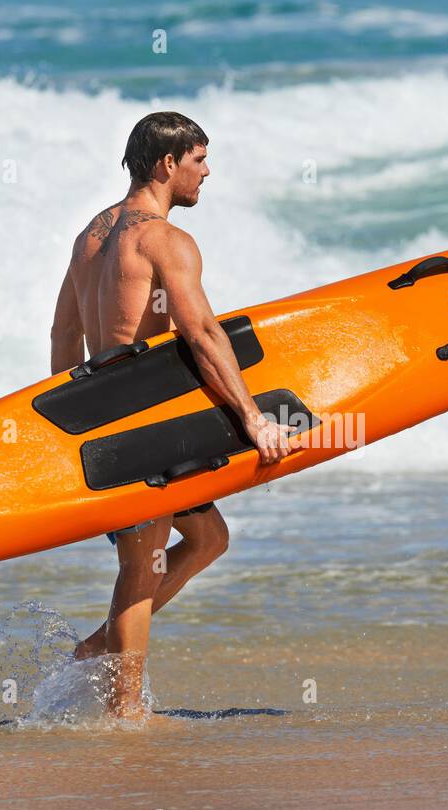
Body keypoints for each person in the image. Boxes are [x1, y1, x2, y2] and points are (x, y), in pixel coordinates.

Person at [49, 111, 294, 719]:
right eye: (199, 160)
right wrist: (254, 418)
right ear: (167, 164)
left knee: (208, 538)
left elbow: (65, 330)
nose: (206, 173)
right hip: (146, 423)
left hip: (107, 416)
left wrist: (70, 418)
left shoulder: (92, 235)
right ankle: (124, 708)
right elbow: (202, 331)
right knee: (142, 563)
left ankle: (98, 648)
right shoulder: (164, 240)